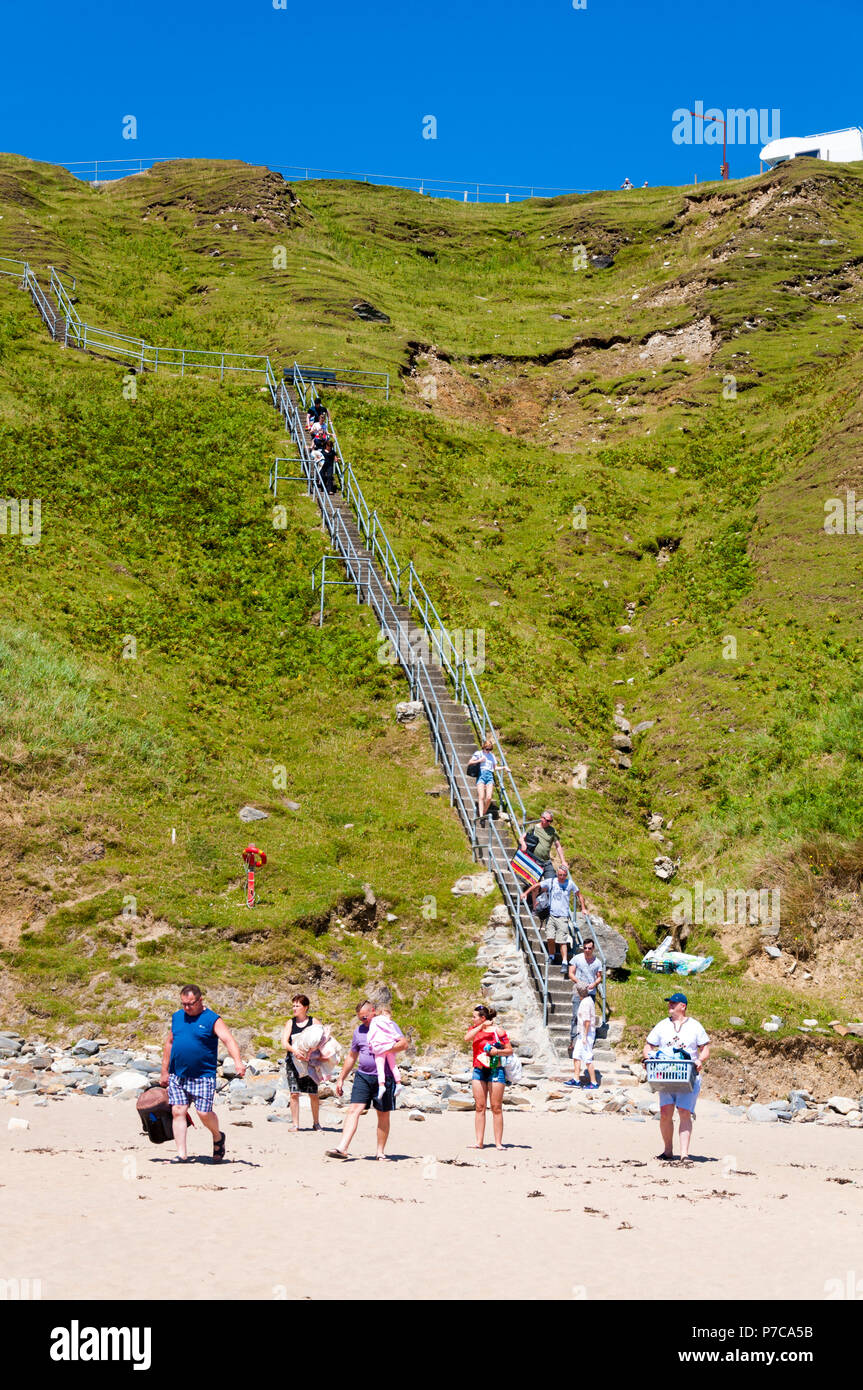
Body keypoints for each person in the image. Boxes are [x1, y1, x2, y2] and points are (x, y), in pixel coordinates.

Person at [159, 984, 246, 1163]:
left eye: (190, 1004)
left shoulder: (212, 1019)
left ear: (200, 1000)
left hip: (203, 1075)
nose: (187, 1008)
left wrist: (238, 1062)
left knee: (204, 1113)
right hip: (178, 1074)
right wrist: (164, 1071)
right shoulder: (177, 1017)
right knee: (178, 1110)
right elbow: (169, 1043)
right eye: (184, 1004)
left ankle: (217, 1136)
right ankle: (181, 1154)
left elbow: (228, 1040)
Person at [326, 1000, 408, 1161]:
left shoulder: (388, 1024)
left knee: (383, 1114)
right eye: (360, 1018)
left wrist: (384, 1048)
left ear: (373, 1011)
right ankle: (342, 1147)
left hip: (385, 1077)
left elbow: (403, 1044)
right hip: (363, 1075)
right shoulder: (359, 1031)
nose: (363, 1021)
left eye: (365, 1017)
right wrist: (341, 1078)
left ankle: (380, 1152)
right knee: (354, 1109)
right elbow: (352, 1056)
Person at [643, 992, 710, 1163]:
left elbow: (705, 1049)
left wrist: (699, 1060)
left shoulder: (695, 1026)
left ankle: (684, 1154)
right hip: (665, 1075)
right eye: (669, 1003)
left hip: (688, 1076)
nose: (670, 1006)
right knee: (665, 1113)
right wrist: (647, 1057)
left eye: (674, 1003)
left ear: (683, 1006)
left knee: (684, 1112)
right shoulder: (662, 1025)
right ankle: (667, 1151)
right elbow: (649, 1046)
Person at [464, 1004, 512, 1150]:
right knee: (480, 1107)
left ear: (483, 1018)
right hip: (478, 1071)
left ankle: (498, 1142)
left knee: (496, 1107)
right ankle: (479, 1142)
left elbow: (509, 1050)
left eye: (474, 1017)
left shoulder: (498, 1031)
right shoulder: (474, 1030)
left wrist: (496, 1051)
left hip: (495, 1070)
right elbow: (466, 1038)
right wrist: (481, 1026)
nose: (472, 1019)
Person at [280, 994, 323, 1132]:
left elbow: (322, 1039)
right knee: (294, 1093)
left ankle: (316, 1123)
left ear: (306, 1007)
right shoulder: (290, 1023)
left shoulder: (314, 1022)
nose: (294, 1008)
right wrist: (295, 1051)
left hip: (310, 1063)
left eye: (297, 1005)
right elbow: (284, 1042)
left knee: (313, 1094)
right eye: (293, 1005)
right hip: (293, 1061)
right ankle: (295, 1124)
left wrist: (311, 1052)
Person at [546, 863, 588, 978]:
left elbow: (579, 894)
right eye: (560, 875)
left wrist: (583, 908)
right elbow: (540, 886)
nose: (562, 877)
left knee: (562, 940)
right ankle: (551, 956)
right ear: (557, 874)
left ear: (566, 875)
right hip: (552, 915)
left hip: (563, 917)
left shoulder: (570, 883)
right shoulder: (552, 881)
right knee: (550, 937)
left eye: (564, 875)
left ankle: (564, 962)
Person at [519, 809, 567, 907]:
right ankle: (534, 907)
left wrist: (563, 861)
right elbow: (521, 838)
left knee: (553, 883)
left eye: (550, 821)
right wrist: (523, 844)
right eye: (547, 820)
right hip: (534, 861)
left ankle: (542, 901)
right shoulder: (533, 828)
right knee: (534, 884)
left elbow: (558, 845)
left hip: (546, 861)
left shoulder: (552, 831)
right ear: (542, 818)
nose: (549, 822)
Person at [367, 1007, 403, 1100]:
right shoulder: (389, 1022)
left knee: (380, 1068)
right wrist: (398, 1038)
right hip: (390, 1046)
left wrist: (369, 1043)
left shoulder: (374, 1021)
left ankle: (381, 1085)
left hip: (379, 1046)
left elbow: (371, 1033)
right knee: (393, 1066)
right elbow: (394, 1033)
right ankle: (398, 1083)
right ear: (387, 1014)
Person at [566, 984, 597, 1088]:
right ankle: (576, 1079)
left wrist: (584, 1036)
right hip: (582, 1034)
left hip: (586, 1034)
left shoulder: (585, 1003)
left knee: (587, 1057)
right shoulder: (587, 1000)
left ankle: (594, 1083)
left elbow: (587, 1021)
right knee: (576, 1055)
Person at [467, 735, 497, 826]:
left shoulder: (492, 756)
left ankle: (483, 813)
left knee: (489, 797)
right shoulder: (479, 753)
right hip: (481, 775)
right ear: (484, 747)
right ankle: (481, 816)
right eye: (487, 749)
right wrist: (479, 760)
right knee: (481, 796)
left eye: (490, 749)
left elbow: (495, 767)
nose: (488, 751)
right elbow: (470, 762)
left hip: (490, 776)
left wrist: (504, 768)